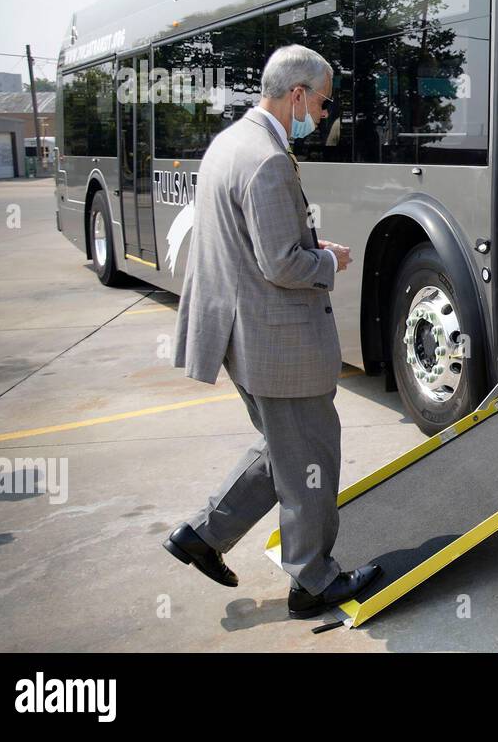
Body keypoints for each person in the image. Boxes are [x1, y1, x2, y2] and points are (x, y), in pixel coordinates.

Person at [163, 44, 380, 619]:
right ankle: (313, 582)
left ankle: (203, 536)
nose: (324, 115)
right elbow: (281, 265)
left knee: (282, 448)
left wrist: (311, 248)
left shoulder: (229, 144)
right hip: (277, 339)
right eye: (324, 103)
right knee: (310, 454)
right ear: (299, 94)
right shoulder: (267, 159)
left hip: (241, 335)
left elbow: (251, 244)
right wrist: (329, 262)